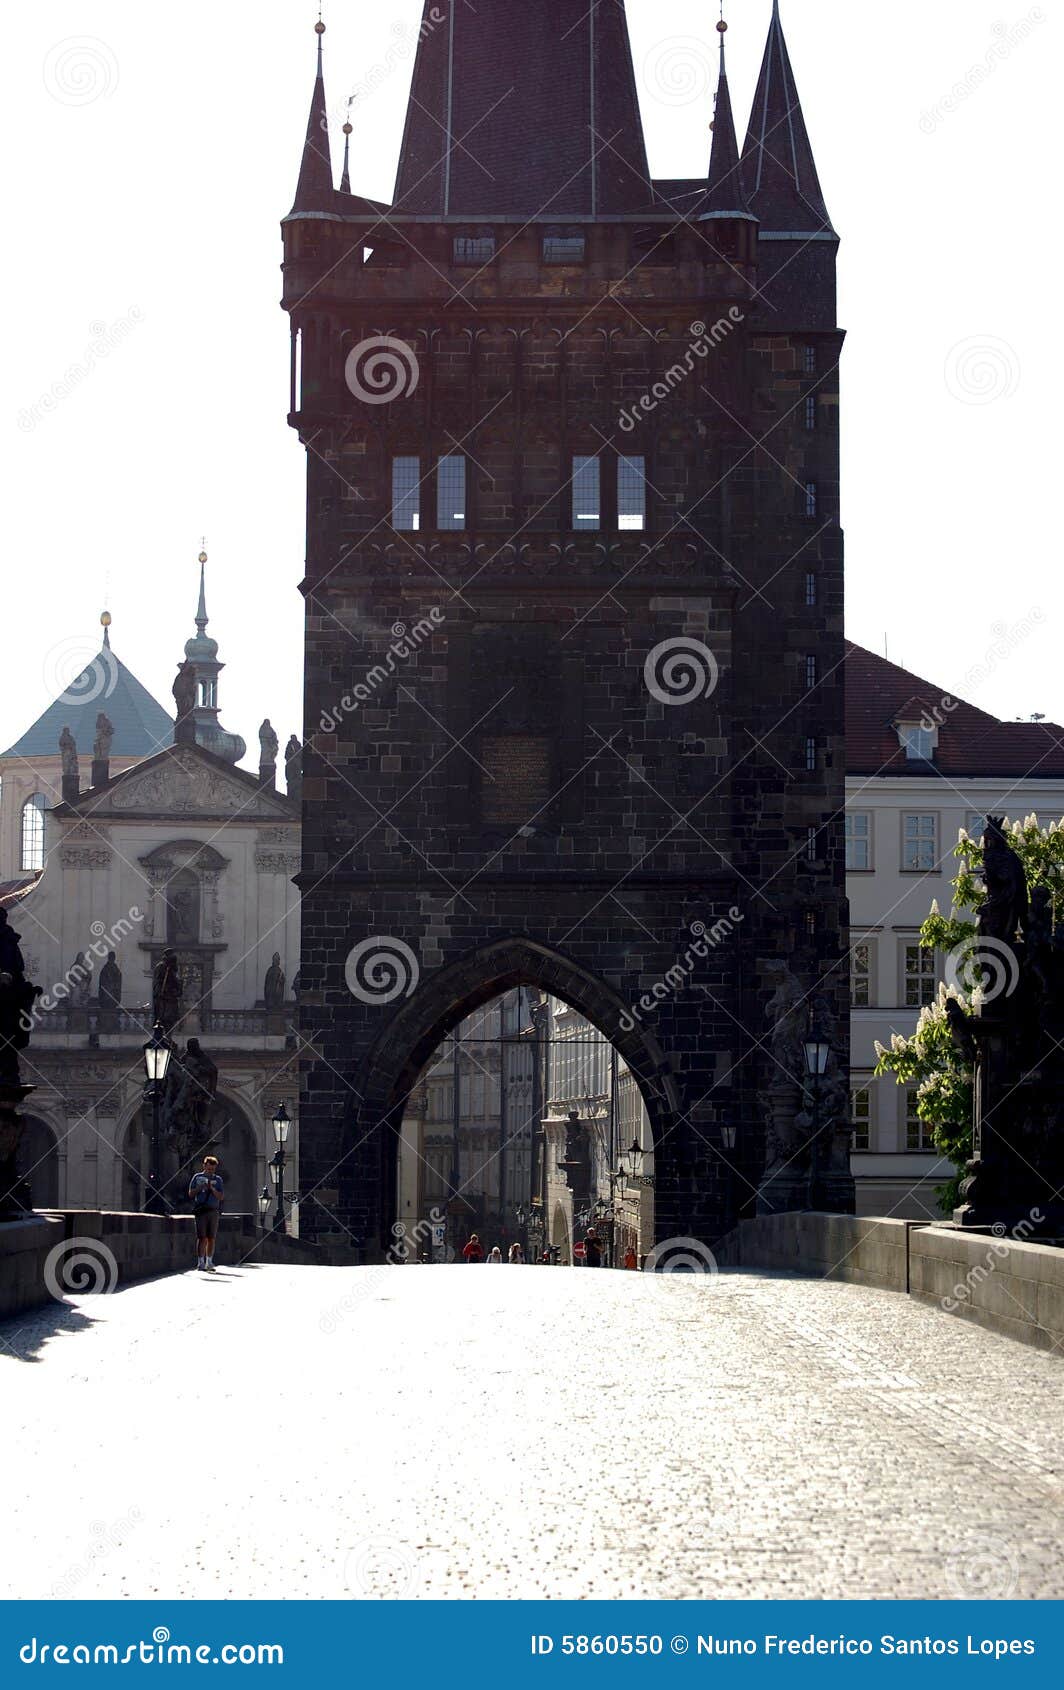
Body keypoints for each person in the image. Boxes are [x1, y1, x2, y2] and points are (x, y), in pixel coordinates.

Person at [188, 1154, 224, 1272]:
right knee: (201, 1237)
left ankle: (209, 1261)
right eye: (208, 1169)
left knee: (211, 1237)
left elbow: (221, 1196)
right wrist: (201, 1187)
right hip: (201, 1210)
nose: (210, 1171)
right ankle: (200, 1262)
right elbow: (191, 1194)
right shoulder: (197, 1177)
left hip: (213, 1210)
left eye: (212, 1170)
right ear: (204, 1166)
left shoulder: (218, 1180)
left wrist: (212, 1188)